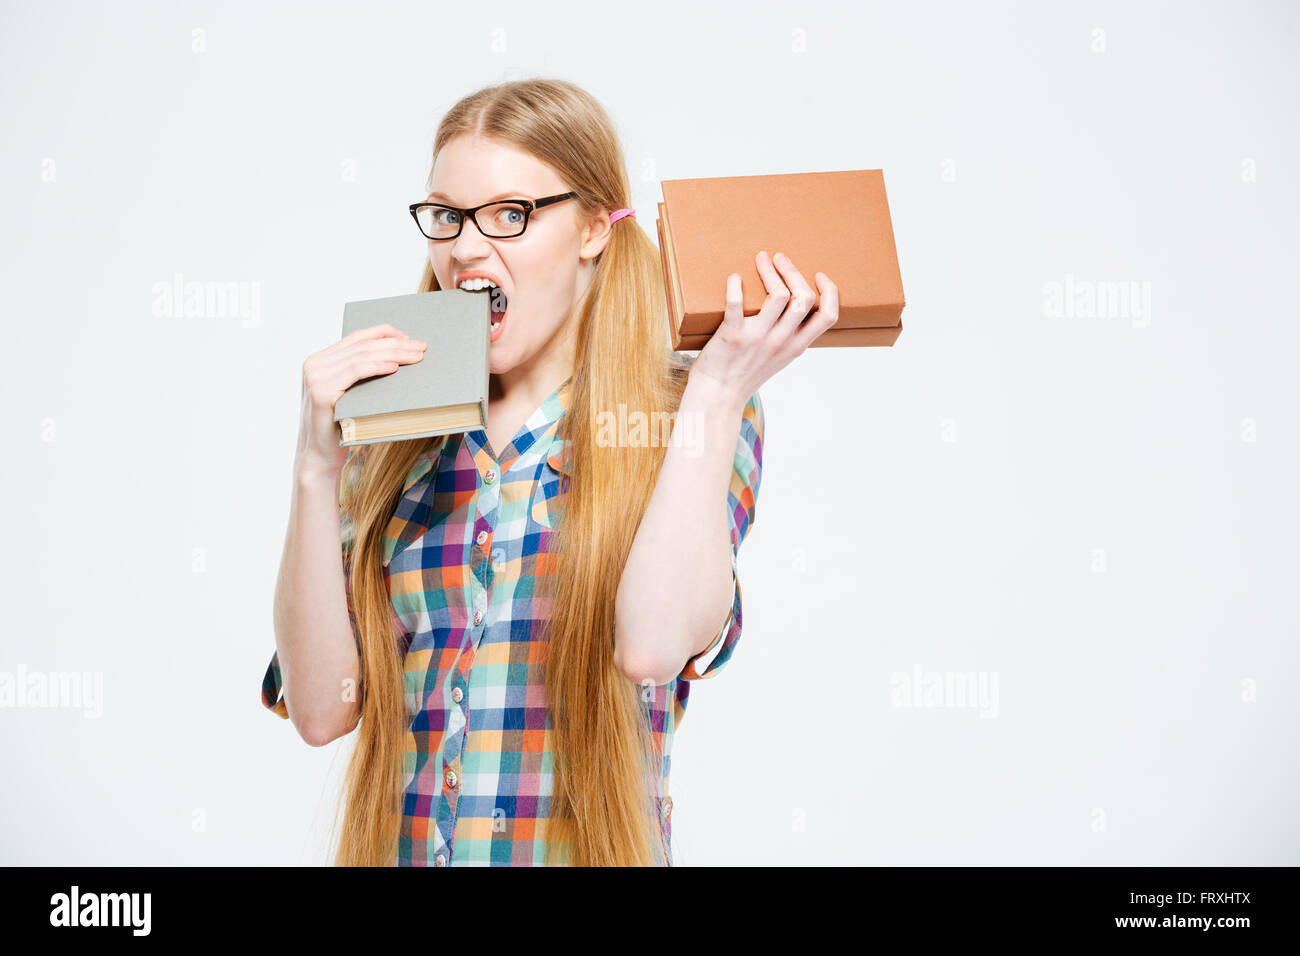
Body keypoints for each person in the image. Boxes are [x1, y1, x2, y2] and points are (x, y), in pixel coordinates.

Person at [260, 77, 840, 866]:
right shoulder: (393, 431)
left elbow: (653, 646)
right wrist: (314, 468)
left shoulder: (684, 416)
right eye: (447, 217)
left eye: (509, 215)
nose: (465, 248)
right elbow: (322, 712)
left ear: (595, 227)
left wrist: (717, 390)